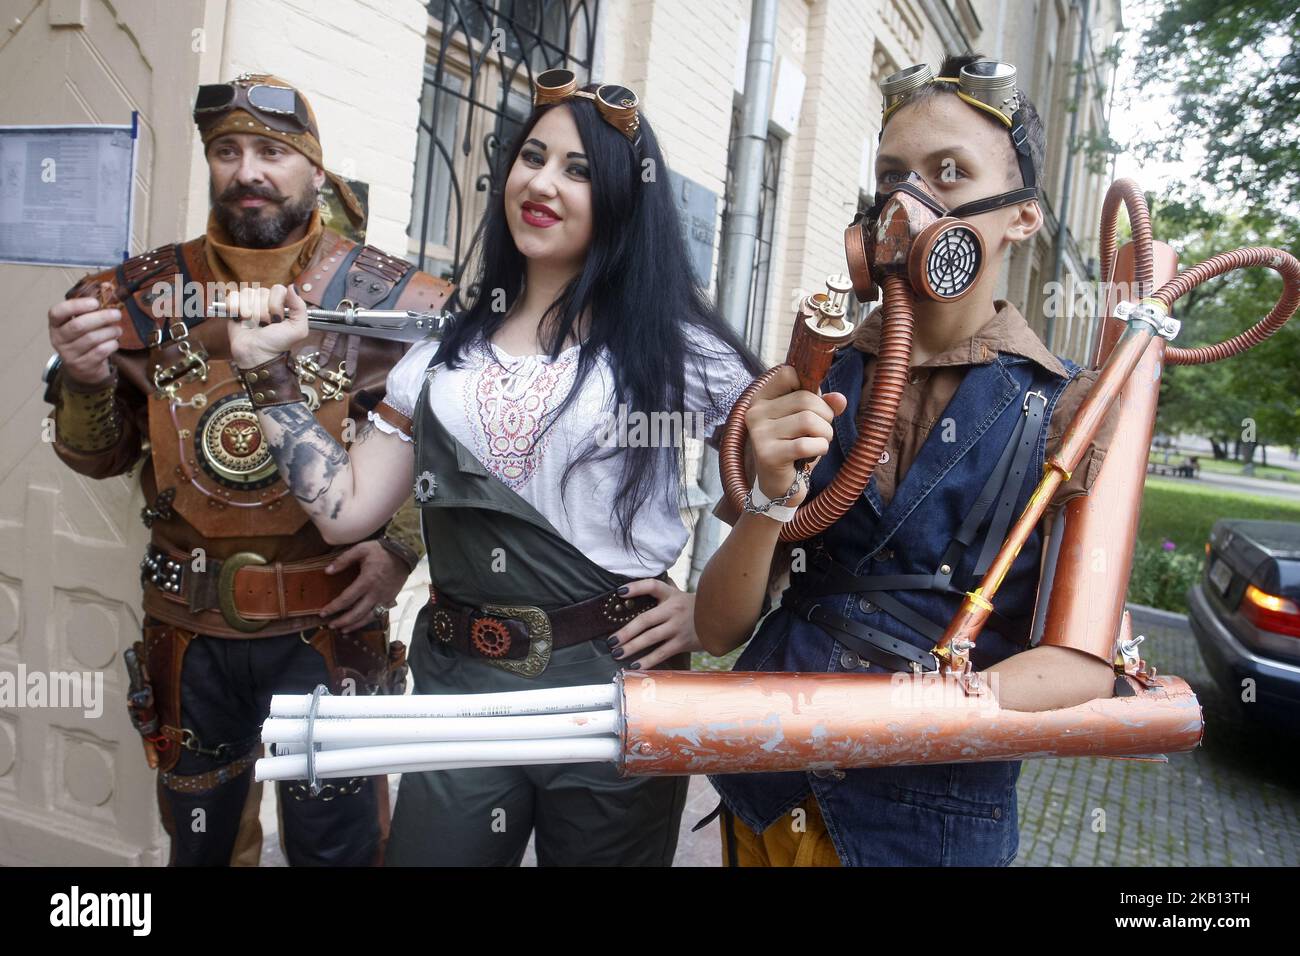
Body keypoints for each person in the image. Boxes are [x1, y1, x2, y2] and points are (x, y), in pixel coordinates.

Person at [223, 70, 761, 865]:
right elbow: (345, 508)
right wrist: (266, 376)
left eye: (578, 170)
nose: (542, 182)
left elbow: (792, 492)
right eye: (531, 156)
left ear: (622, 198)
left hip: (614, 686)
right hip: (462, 686)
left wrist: (706, 615)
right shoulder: (441, 356)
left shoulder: (680, 353)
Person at [695, 54, 1121, 867]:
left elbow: (1083, 662)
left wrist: (943, 706)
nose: (908, 204)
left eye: (949, 173)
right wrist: (771, 498)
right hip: (767, 789)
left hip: (927, 827)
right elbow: (720, 625)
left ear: (1021, 218)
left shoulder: (1072, 408)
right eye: (892, 174)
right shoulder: (813, 380)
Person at [44, 73, 452, 866]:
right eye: (226, 151)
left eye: (271, 150)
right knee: (200, 850)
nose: (247, 171)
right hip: (187, 627)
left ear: (315, 171)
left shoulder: (398, 302)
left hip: (326, 629)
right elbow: (101, 457)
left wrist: (401, 543)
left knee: (337, 851)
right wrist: (86, 380)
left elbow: (452, 444)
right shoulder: (136, 296)